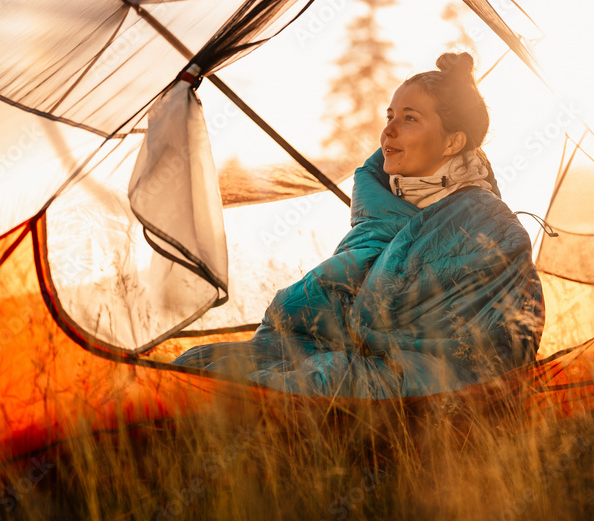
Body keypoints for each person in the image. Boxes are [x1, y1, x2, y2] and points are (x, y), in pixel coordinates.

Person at [173, 52, 545, 398]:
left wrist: (355, 338)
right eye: (390, 116)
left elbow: (485, 349)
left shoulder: (491, 228)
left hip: (437, 385)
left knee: (315, 383)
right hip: (341, 355)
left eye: (410, 118)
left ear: (453, 143)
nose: (389, 131)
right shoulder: (379, 208)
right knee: (197, 365)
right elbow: (330, 306)